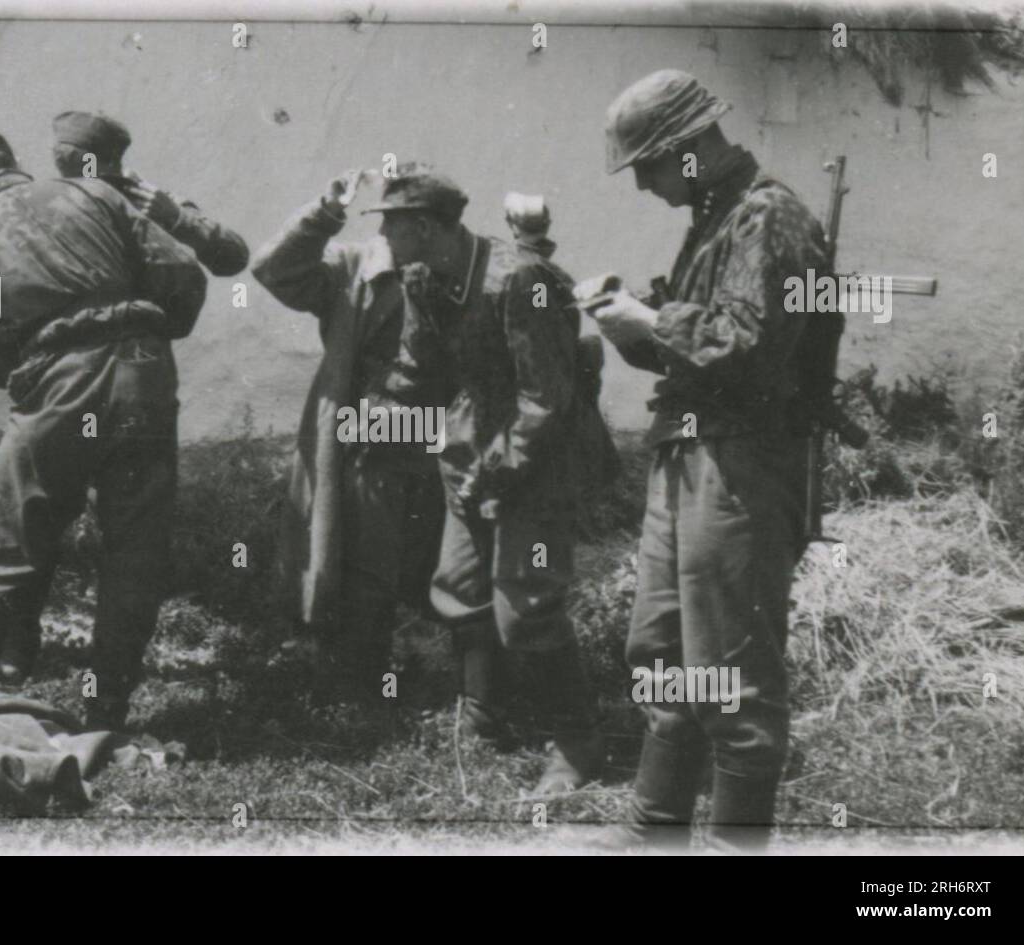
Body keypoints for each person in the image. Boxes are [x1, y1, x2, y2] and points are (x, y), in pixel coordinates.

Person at [588, 70, 828, 850]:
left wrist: (654, 321)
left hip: (743, 465)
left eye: (649, 167)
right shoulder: (715, 215)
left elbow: (751, 350)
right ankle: (654, 831)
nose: (645, 186)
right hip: (688, 454)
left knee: (732, 673)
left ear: (686, 152)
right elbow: (702, 348)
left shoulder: (771, 215)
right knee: (661, 651)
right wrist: (636, 325)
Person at [0, 131, 206, 731]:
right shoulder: (92, 195)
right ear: (14, 166)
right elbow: (183, 271)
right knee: (135, 545)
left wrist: (44, 362)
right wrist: (149, 330)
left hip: (57, 384)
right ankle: (106, 709)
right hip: (143, 373)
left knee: (6, 536)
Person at [374, 165, 603, 794]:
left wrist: (495, 473)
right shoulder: (422, 277)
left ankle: (577, 740)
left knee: (525, 604)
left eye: (391, 227)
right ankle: (484, 716)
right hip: (472, 443)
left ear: (424, 226)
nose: (384, 240)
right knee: (460, 587)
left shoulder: (517, 278)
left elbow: (547, 397)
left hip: (537, 453)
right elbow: (418, 367)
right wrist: (377, 414)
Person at [252, 168, 444, 701]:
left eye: (404, 223)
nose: (390, 234)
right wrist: (323, 214)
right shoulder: (355, 267)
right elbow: (274, 269)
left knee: (435, 560)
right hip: (363, 435)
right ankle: (358, 685)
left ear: (430, 226)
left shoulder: (454, 273)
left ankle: (441, 676)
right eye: (387, 221)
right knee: (362, 558)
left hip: (437, 437)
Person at [50, 111, 248, 277]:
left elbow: (234, 259)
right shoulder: (51, 210)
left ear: (109, 163)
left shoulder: (145, 200)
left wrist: (177, 218)